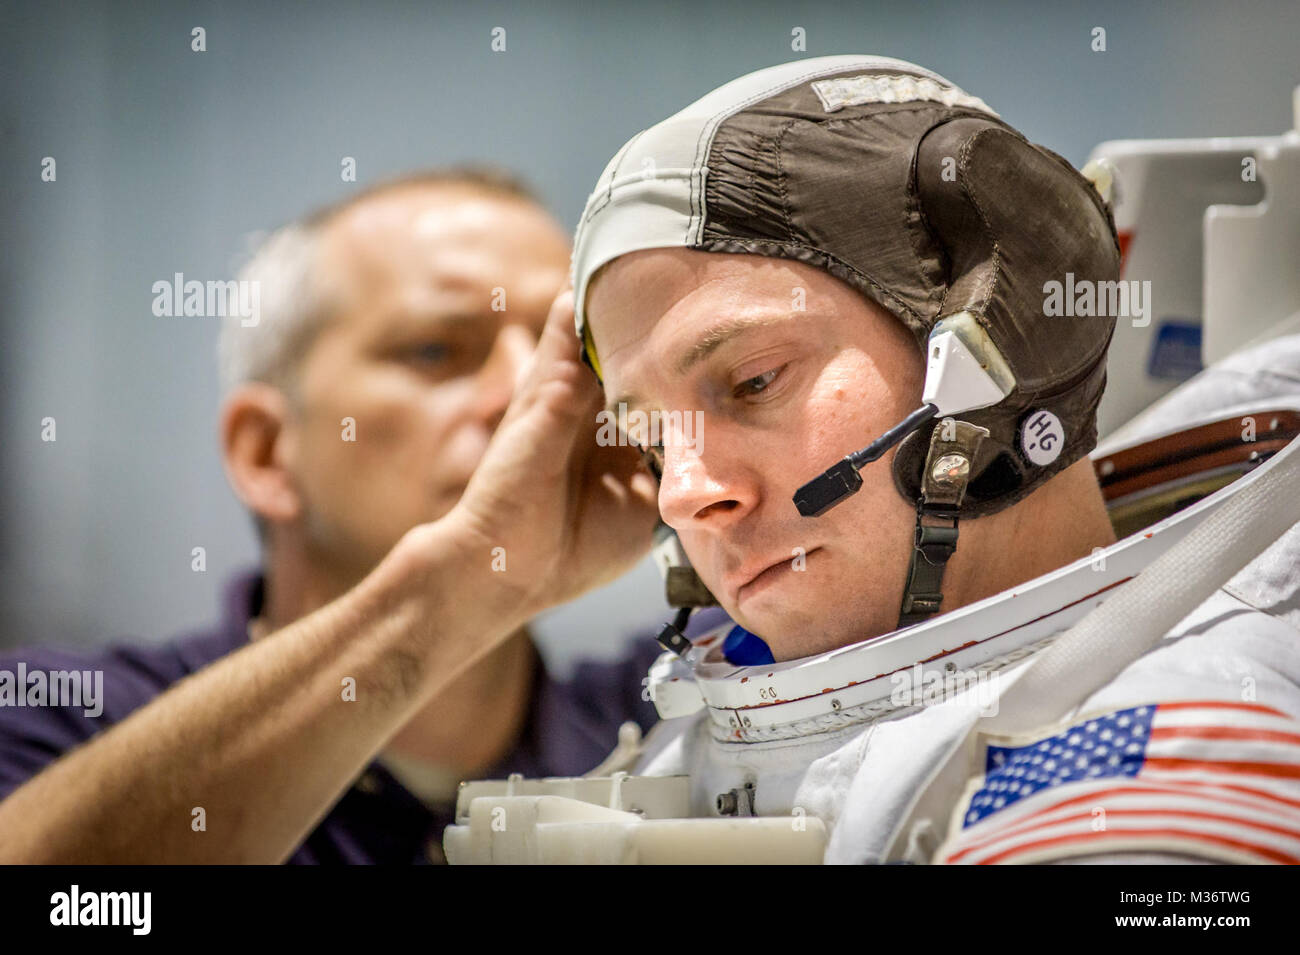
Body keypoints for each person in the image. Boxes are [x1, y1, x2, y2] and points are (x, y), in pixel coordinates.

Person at [455, 55, 1300, 864]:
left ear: (1013, 341)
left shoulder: (1158, 772)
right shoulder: (688, 731)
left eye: (753, 380)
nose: (681, 495)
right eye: (651, 437)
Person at [0, 168, 696, 864]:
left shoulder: (683, 722)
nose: (528, 388)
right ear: (267, 452)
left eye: (575, 352)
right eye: (436, 349)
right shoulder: (58, 722)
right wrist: (460, 591)